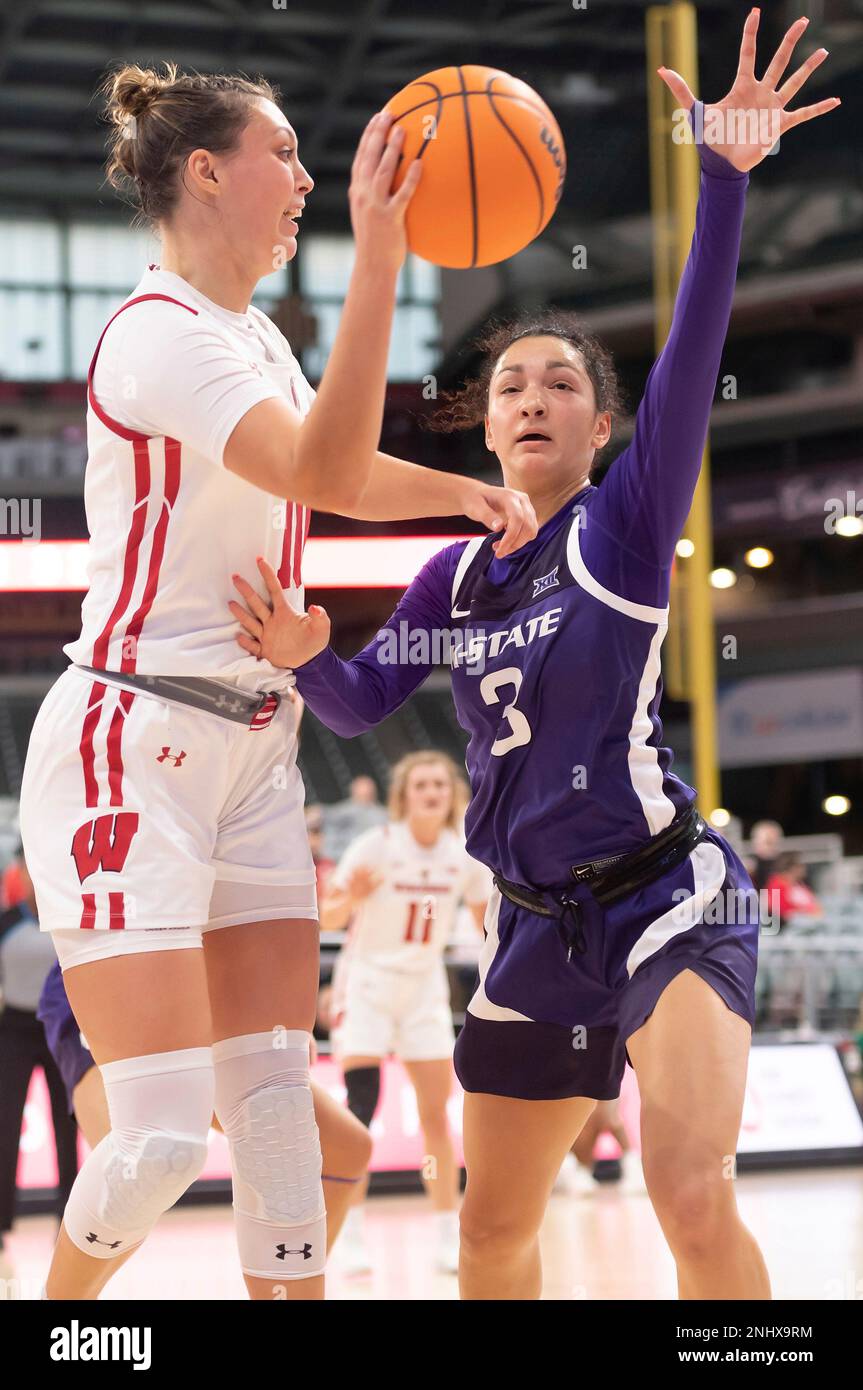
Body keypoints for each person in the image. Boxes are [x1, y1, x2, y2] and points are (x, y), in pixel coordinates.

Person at [228, 14, 839, 1300]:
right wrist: (300, 650)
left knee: (684, 1188)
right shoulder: (448, 571)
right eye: (508, 384)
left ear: (598, 423)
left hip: (669, 894)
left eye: (558, 383)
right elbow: (350, 701)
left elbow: (692, 357)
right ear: (486, 423)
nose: (527, 398)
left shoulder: (618, 524)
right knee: (490, 1234)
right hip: (533, 930)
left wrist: (722, 185)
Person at [18, 62, 534, 1303]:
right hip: (129, 740)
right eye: (286, 155)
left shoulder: (246, 334)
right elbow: (310, 463)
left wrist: (458, 494)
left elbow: (343, 469)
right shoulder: (156, 335)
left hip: (255, 746)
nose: (306, 179)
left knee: (279, 1123)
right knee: (148, 1139)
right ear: (206, 171)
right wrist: (377, 261)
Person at [36, 958, 373, 1255]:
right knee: (135, 1174)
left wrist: (279, 1014)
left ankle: (285, 1287)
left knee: (347, 1147)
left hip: (204, 985)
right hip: (108, 978)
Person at [320, 752, 489, 1275]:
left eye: (440, 783)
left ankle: (445, 1232)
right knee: (361, 1110)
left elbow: (489, 928)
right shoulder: (376, 845)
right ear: (404, 795)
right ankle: (350, 1237)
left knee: (437, 1115)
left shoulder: (464, 855)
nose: (431, 791)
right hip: (368, 983)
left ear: (452, 792)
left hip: (423, 988)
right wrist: (354, 895)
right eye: (421, 784)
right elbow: (327, 915)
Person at [0, 848, 78, 1252]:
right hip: (12, 1029)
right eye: (25, 865)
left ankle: (70, 1219)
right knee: (5, 1124)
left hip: (60, 1029)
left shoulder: (66, 919)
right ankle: (1, 1223)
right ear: (20, 872)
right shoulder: (7, 922)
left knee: (67, 1125)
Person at [323, 775, 388, 863]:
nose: (366, 792)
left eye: (369, 790)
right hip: (347, 858)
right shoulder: (345, 809)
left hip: (377, 858)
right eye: (362, 792)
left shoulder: (383, 813)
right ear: (354, 792)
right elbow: (323, 814)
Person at [765, 852, 823, 927]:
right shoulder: (777, 883)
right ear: (793, 868)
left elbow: (814, 903)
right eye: (801, 865)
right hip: (787, 925)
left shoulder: (799, 885)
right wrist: (805, 911)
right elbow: (780, 910)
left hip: (807, 920)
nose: (804, 868)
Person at [745, 819, 784, 892]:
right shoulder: (749, 867)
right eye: (768, 842)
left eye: (774, 842)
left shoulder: (784, 866)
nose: (772, 847)